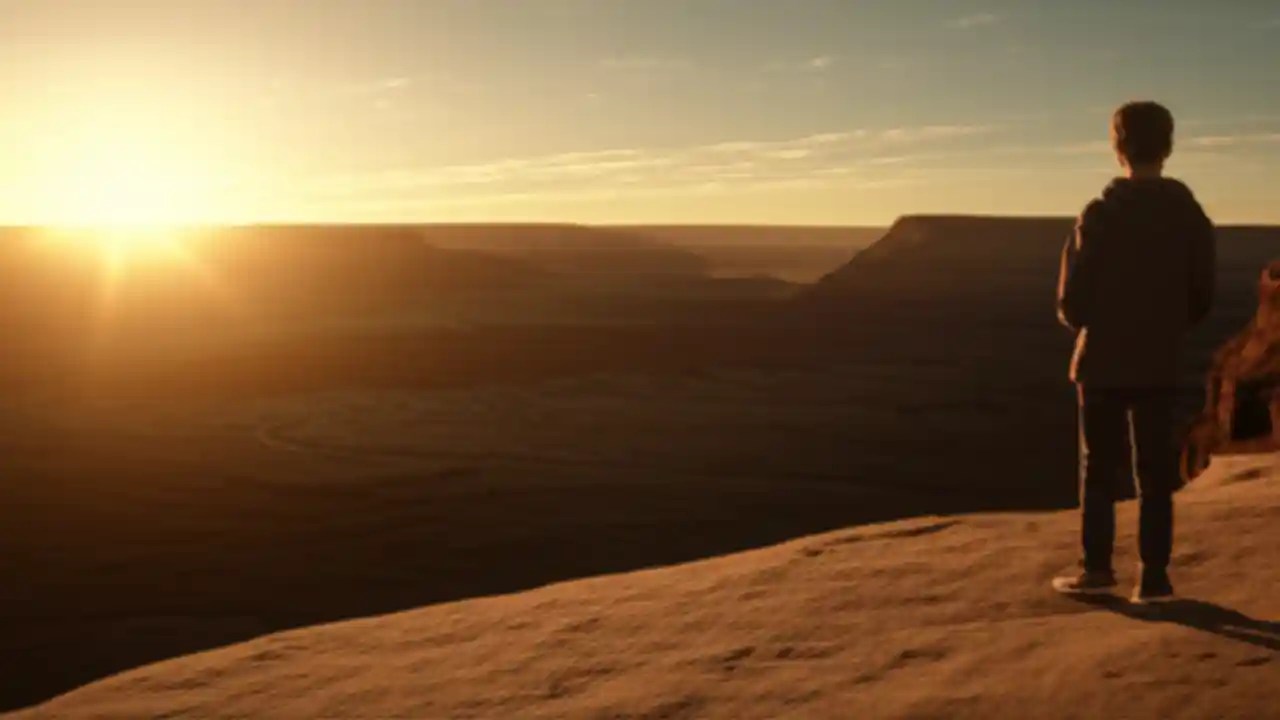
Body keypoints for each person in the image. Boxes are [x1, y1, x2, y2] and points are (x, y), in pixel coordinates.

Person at [1052, 100, 1216, 604]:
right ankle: (1155, 578)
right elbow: (1200, 297)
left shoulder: (1098, 216)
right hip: (1158, 361)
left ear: (1118, 147)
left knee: (1099, 468)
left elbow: (1070, 302)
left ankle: (1097, 570)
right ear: (1167, 147)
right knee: (1155, 472)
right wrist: (1162, 327)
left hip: (1100, 362)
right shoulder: (1189, 217)